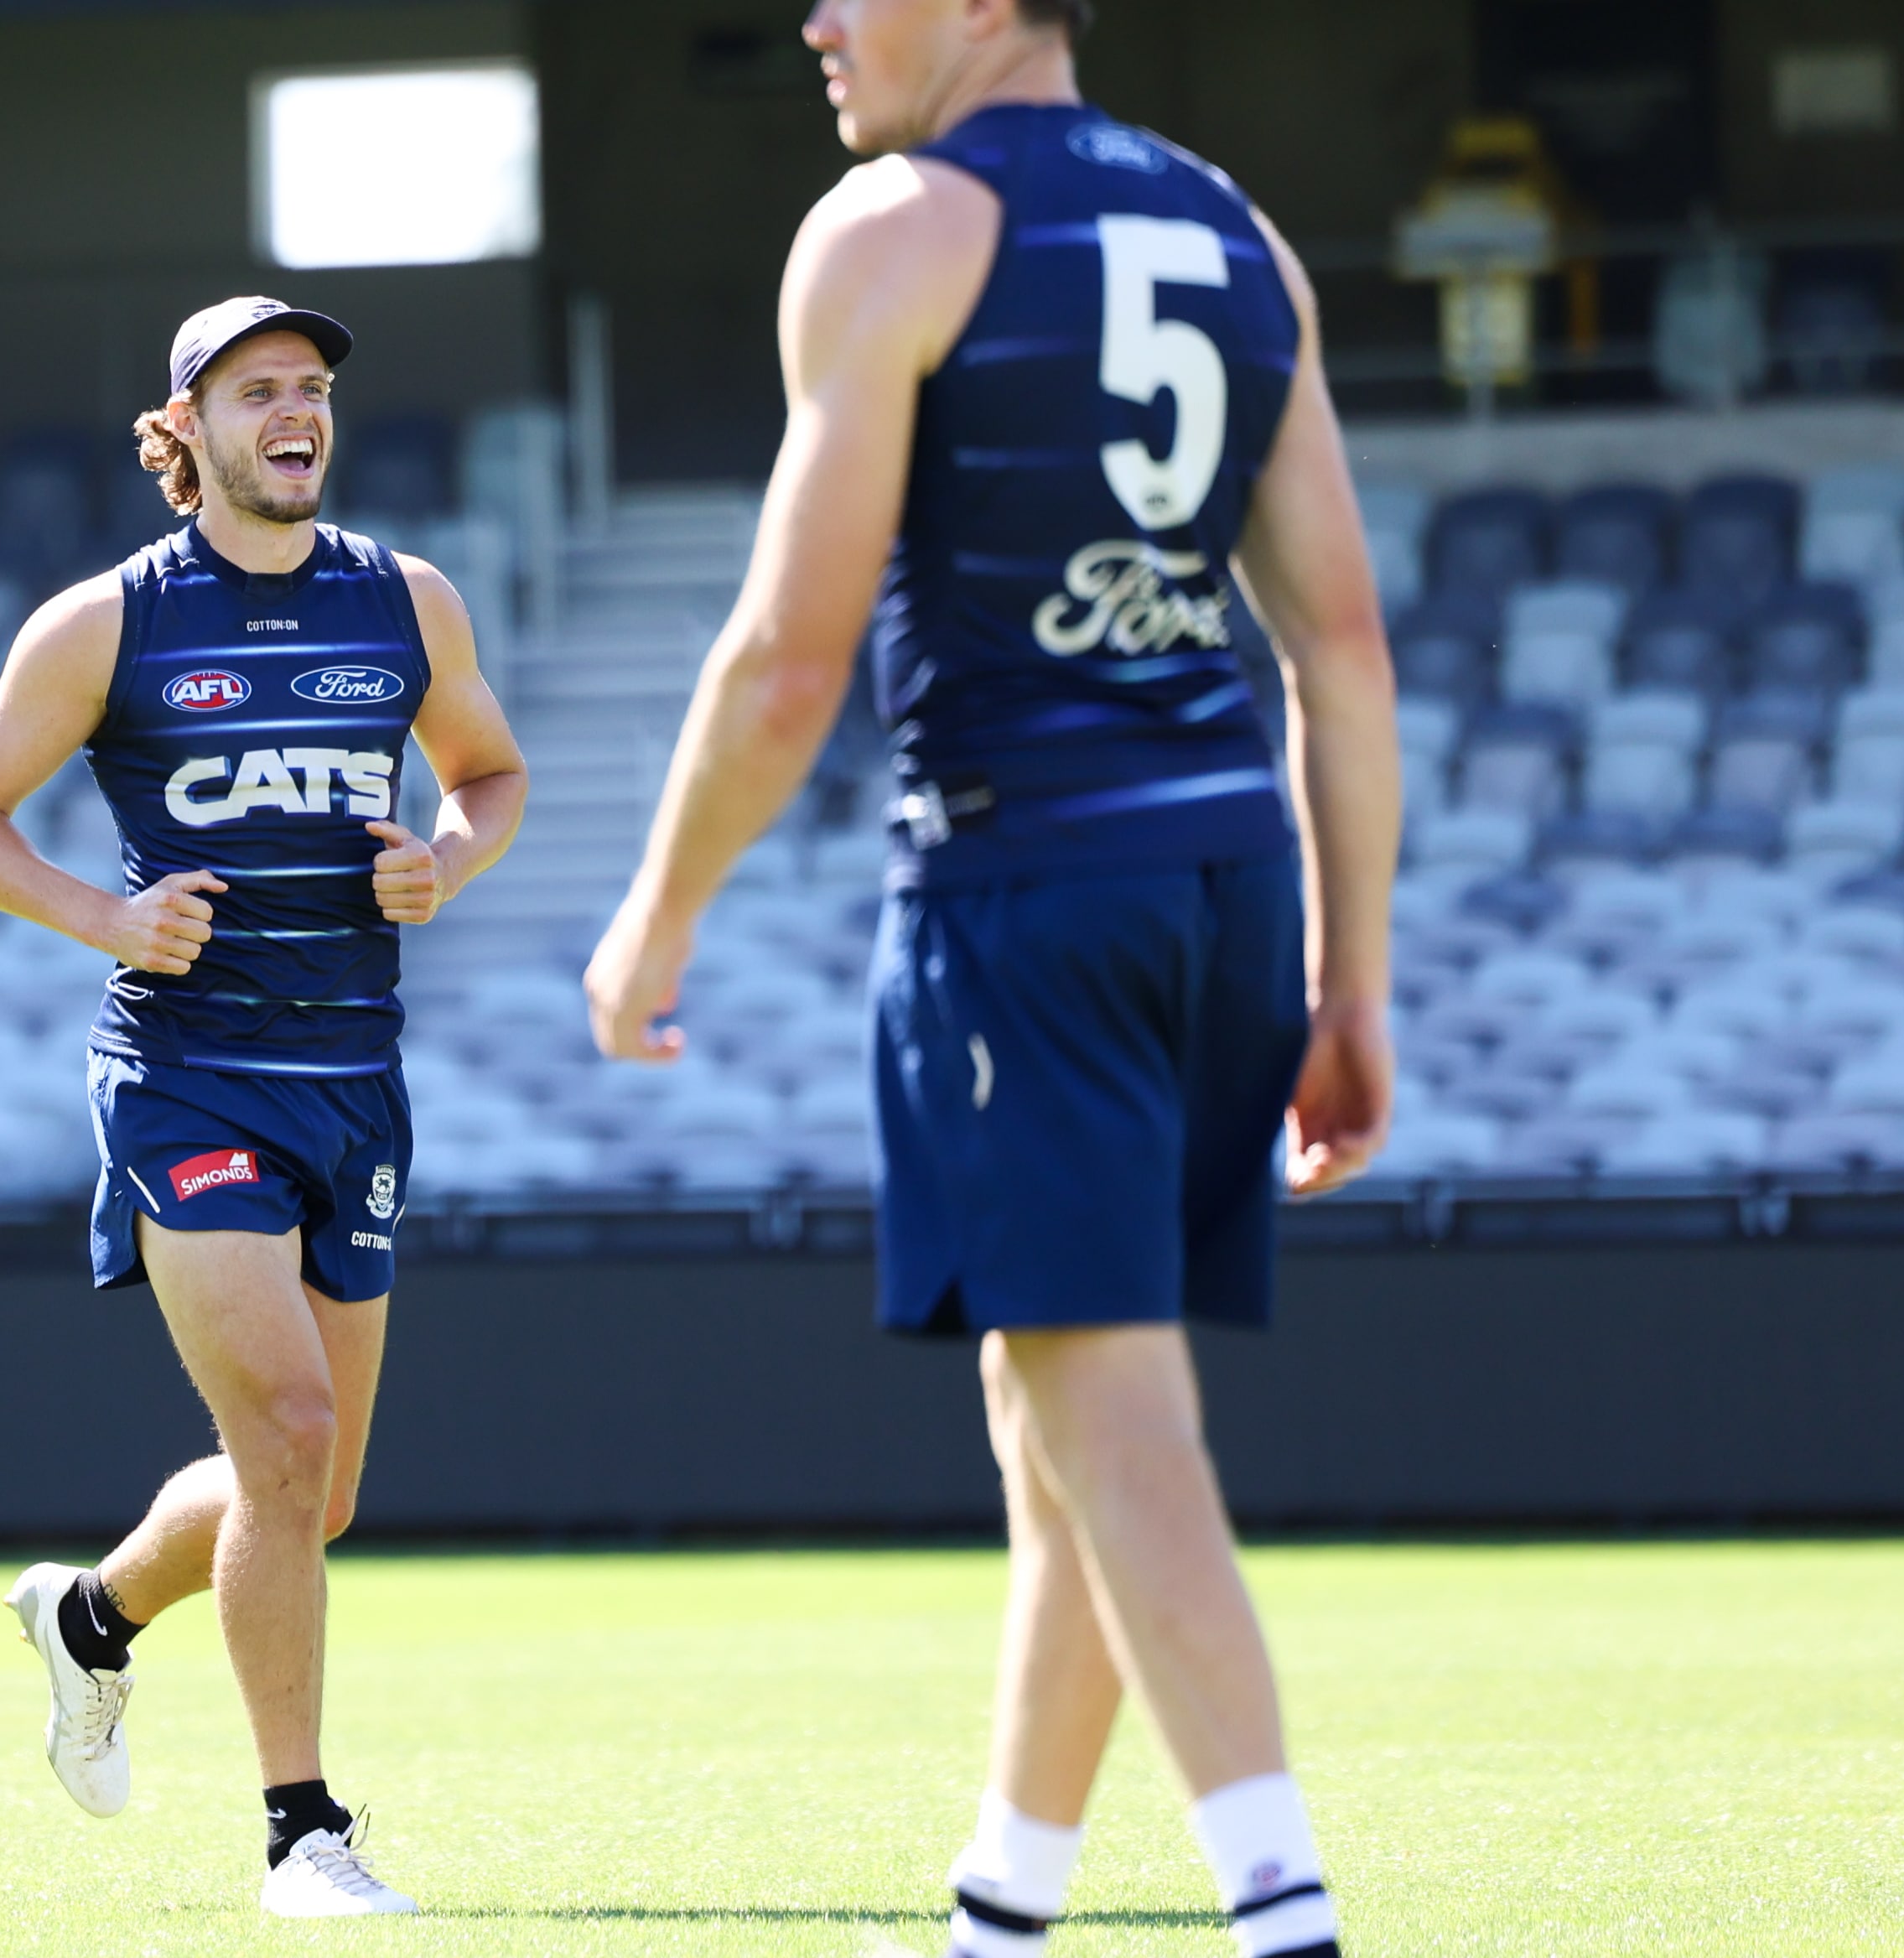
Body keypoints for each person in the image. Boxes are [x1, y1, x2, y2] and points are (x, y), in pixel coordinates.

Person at [582, 4, 1398, 1955]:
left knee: (1117, 1432)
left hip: (1026, 878)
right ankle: (1001, 1915)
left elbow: (790, 661)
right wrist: (1353, 984)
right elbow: (1344, 647)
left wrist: (655, 915)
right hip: (1225, 886)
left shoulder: (893, 231)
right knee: (1057, 1430)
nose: (817, 18)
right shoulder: (1239, 236)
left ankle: (1285, 1918)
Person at [0, 295, 527, 1918]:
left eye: (313, 389)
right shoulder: (103, 624)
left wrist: (447, 860)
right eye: (259, 391)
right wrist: (106, 918)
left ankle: (92, 1621)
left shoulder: (407, 601)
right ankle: (301, 1837)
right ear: (181, 428)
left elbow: (491, 776)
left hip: (356, 1080)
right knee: (292, 1437)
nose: (297, 414)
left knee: (314, 1496)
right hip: (185, 1074)